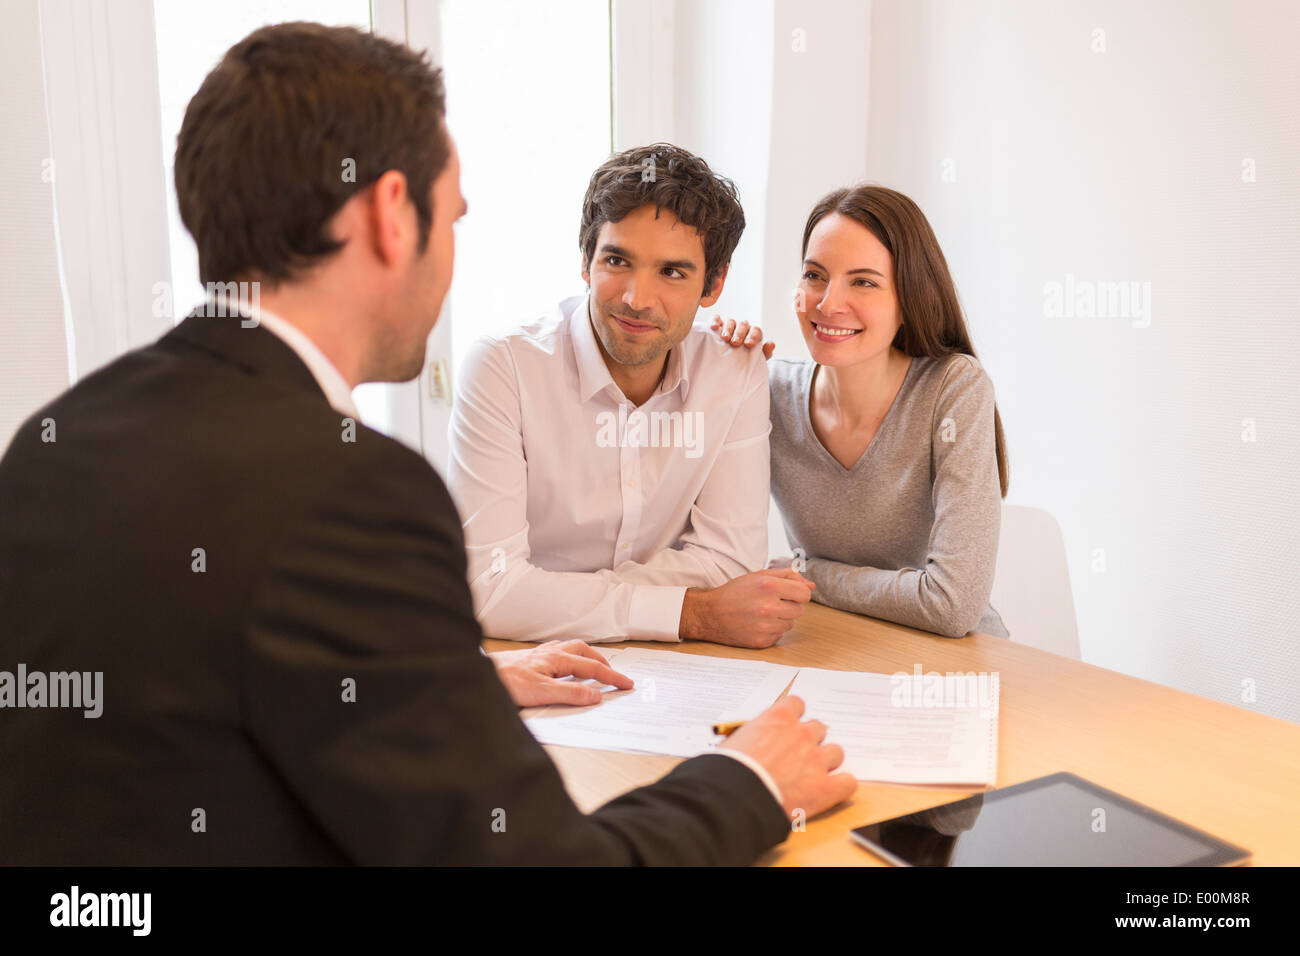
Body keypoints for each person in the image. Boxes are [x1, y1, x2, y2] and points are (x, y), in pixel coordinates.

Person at [0, 22, 855, 865]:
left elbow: (184, 706)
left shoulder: (53, 446)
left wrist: (444, 684)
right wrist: (749, 781)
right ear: (388, 218)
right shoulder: (354, 492)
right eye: (452, 219)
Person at [447, 144, 815, 649]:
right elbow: (490, 590)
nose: (637, 300)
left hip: (671, 667)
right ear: (585, 261)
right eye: (617, 260)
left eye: (672, 272)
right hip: (522, 656)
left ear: (713, 285)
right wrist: (692, 613)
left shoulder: (734, 369)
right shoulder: (502, 367)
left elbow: (730, 563)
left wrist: (543, 596)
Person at [712, 185, 1010, 638]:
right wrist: (712, 369)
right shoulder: (766, 393)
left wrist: (808, 573)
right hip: (829, 647)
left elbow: (951, 606)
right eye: (815, 275)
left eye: (864, 282)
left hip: (953, 672)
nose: (829, 303)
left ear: (910, 298)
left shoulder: (953, 387)